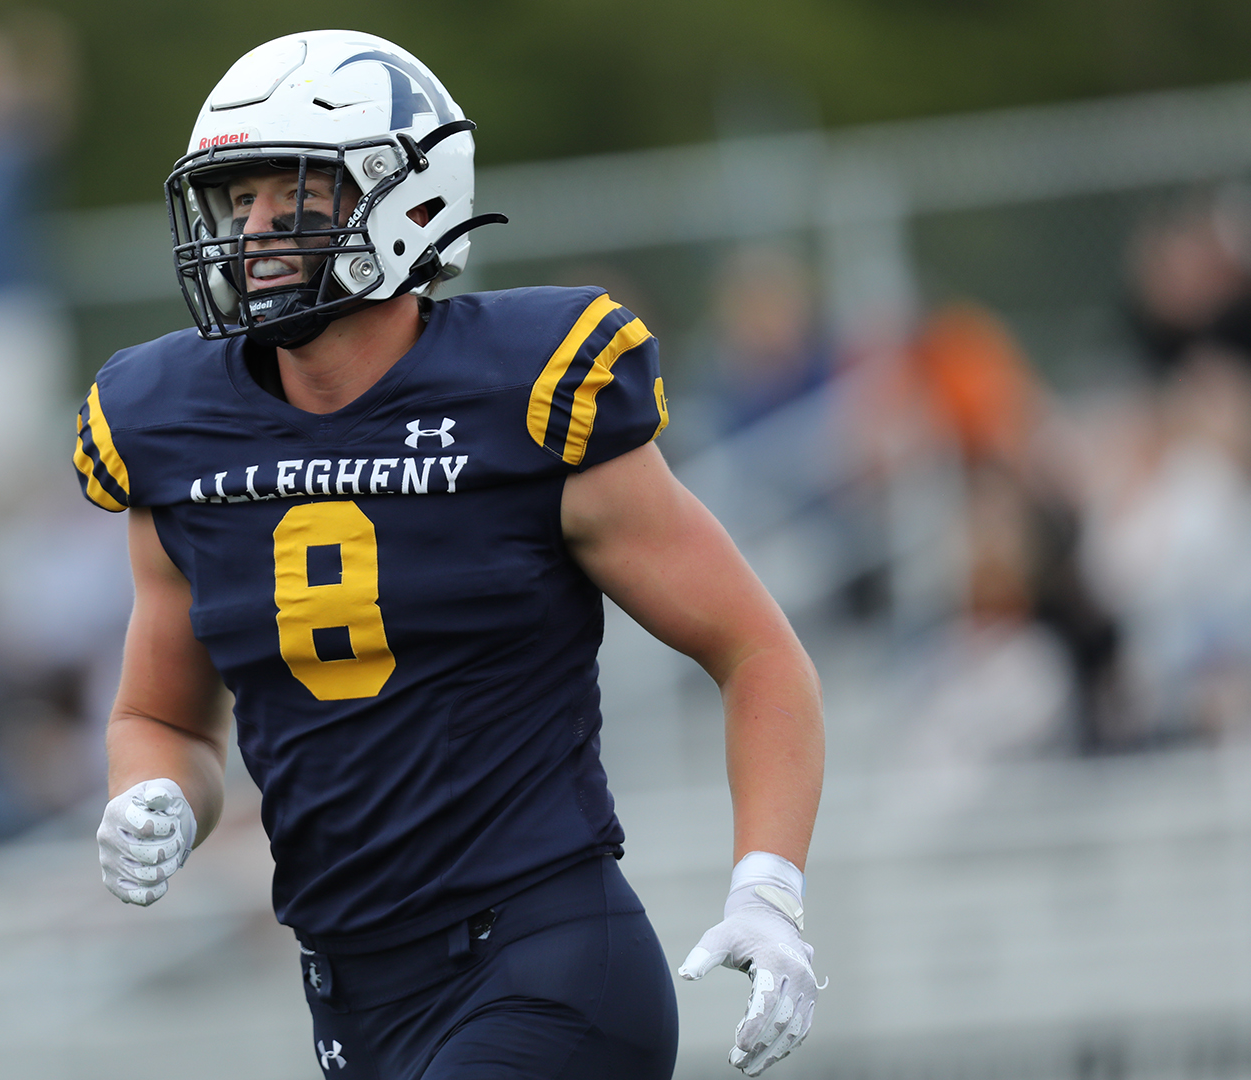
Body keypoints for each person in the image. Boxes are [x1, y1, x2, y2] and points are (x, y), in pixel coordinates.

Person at [76, 31, 823, 1079]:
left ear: (405, 198)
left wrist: (768, 888)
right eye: (234, 201)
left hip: (545, 965)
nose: (250, 231)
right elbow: (159, 719)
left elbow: (757, 652)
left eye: (290, 194)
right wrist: (150, 797)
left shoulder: (525, 395)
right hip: (350, 993)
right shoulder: (172, 429)